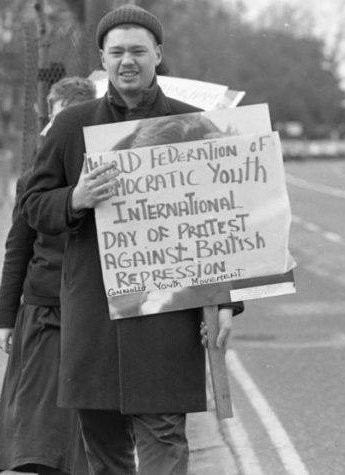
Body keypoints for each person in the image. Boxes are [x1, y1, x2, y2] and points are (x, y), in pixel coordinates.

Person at [20, 5, 242, 474]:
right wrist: (74, 198)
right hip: (94, 317)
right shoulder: (70, 125)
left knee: (164, 438)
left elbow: (221, 225)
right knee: (104, 451)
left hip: (166, 319)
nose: (128, 61)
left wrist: (224, 302)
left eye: (138, 51)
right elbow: (32, 207)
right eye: (117, 51)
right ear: (101, 58)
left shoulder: (195, 125)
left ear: (158, 55)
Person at [0, 76, 97, 475]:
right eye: (51, 120)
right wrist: (5, 318)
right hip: (42, 311)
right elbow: (18, 248)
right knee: (33, 432)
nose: (53, 130)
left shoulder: (116, 178)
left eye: (63, 120)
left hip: (91, 314)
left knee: (82, 434)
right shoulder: (34, 179)